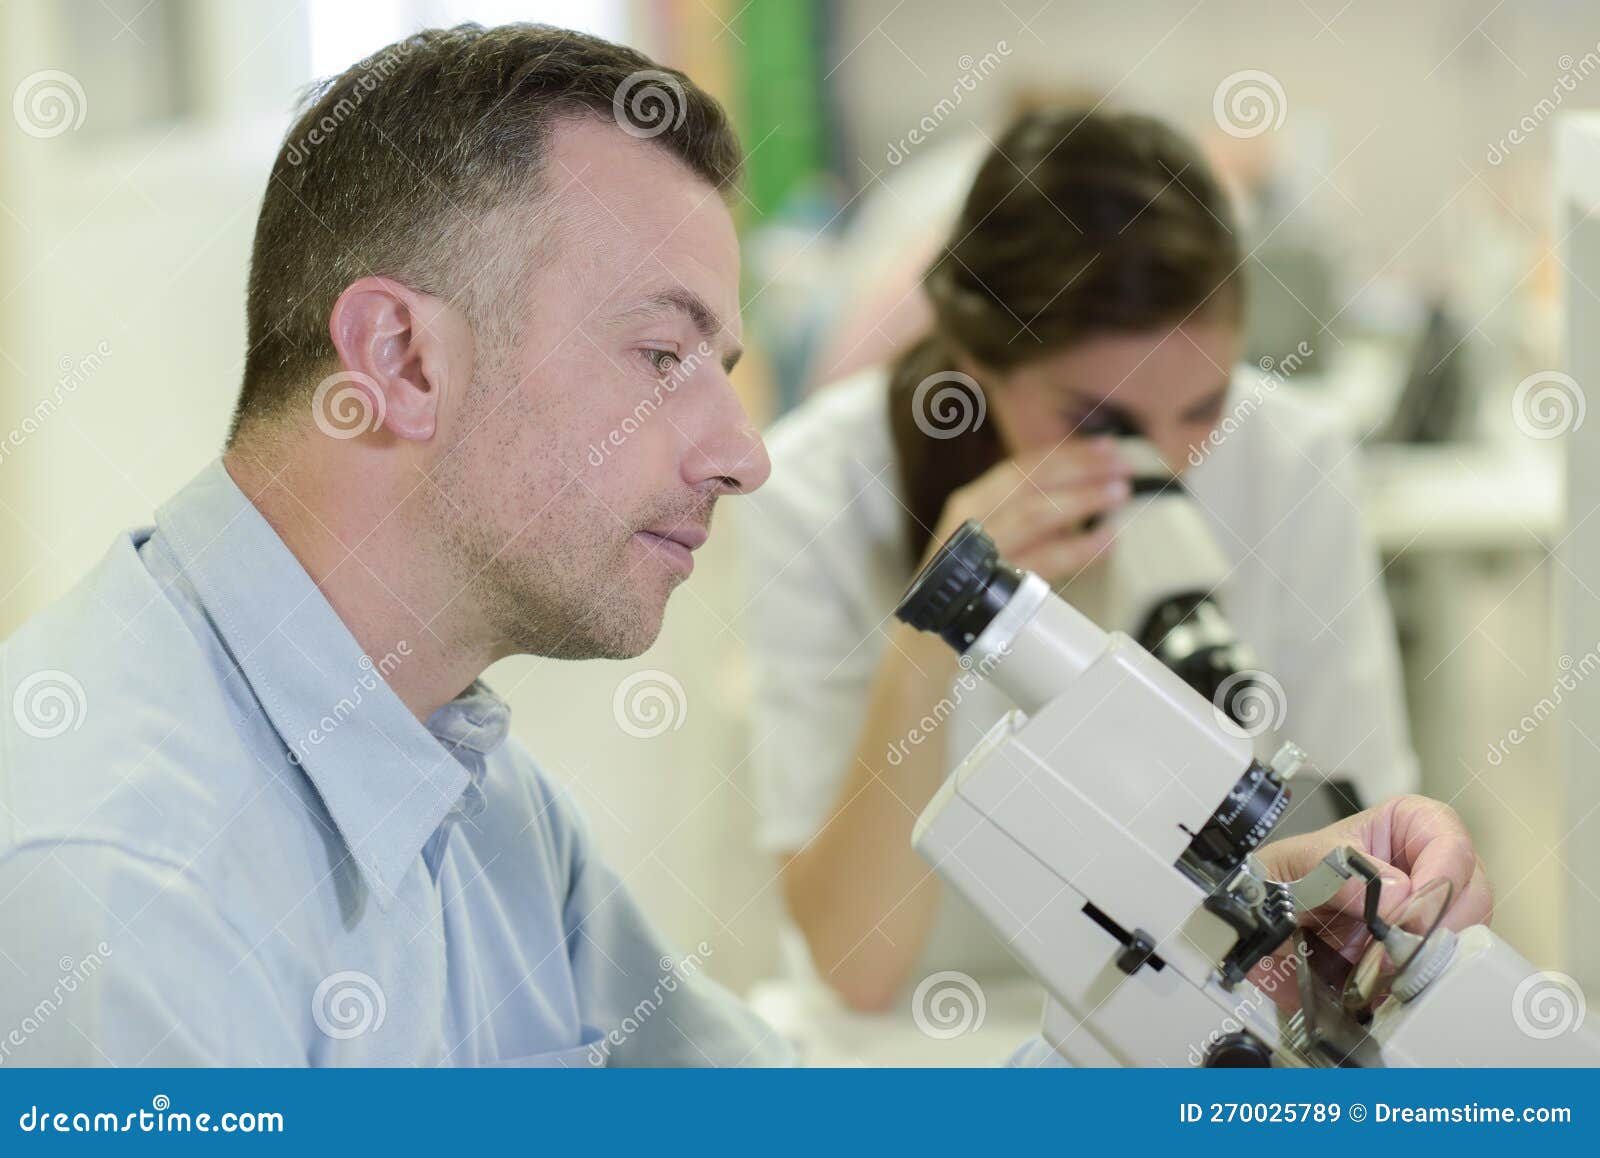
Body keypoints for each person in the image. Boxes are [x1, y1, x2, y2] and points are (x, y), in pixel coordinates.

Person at [0, 26, 1479, 1068]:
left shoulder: (470, 788)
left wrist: (1223, 946)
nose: (742, 449)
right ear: (397, 354)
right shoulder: (121, 889)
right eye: (661, 355)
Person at [738, 109, 1420, 1012]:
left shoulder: (1292, 458)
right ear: (976, 361)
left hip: (1202, 1023)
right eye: (1099, 424)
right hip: (924, 1041)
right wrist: (934, 633)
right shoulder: (819, 491)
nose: (1167, 460)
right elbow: (855, 965)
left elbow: (1352, 889)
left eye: (1205, 407)